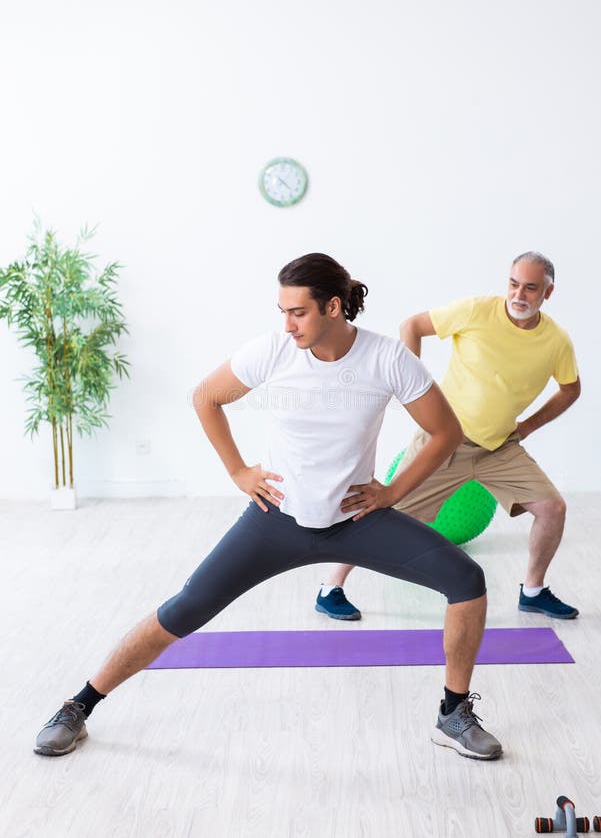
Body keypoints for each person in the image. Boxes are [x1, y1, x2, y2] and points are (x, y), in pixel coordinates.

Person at [35, 253, 502, 762]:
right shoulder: (273, 352)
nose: (287, 324)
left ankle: (452, 713)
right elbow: (205, 397)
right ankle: (78, 706)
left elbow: (446, 432)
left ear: (333, 306)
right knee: (185, 609)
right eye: (281, 310)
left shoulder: (386, 358)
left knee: (467, 582)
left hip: (355, 523)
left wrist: (392, 493)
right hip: (274, 521)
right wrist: (239, 472)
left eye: (297, 312)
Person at [316, 252, 580, 623]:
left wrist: (527, 427)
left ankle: (533, 591)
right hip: (444, 442)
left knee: (553, 509)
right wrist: (414, 391)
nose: (519, 294)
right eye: (513, 283)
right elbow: (412, 325)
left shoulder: (556, 341)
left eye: (531, 288)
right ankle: (331, 589)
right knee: (382, 510)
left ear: (548, 293)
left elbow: (570, 389)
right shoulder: (476, 311)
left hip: (500, 448)